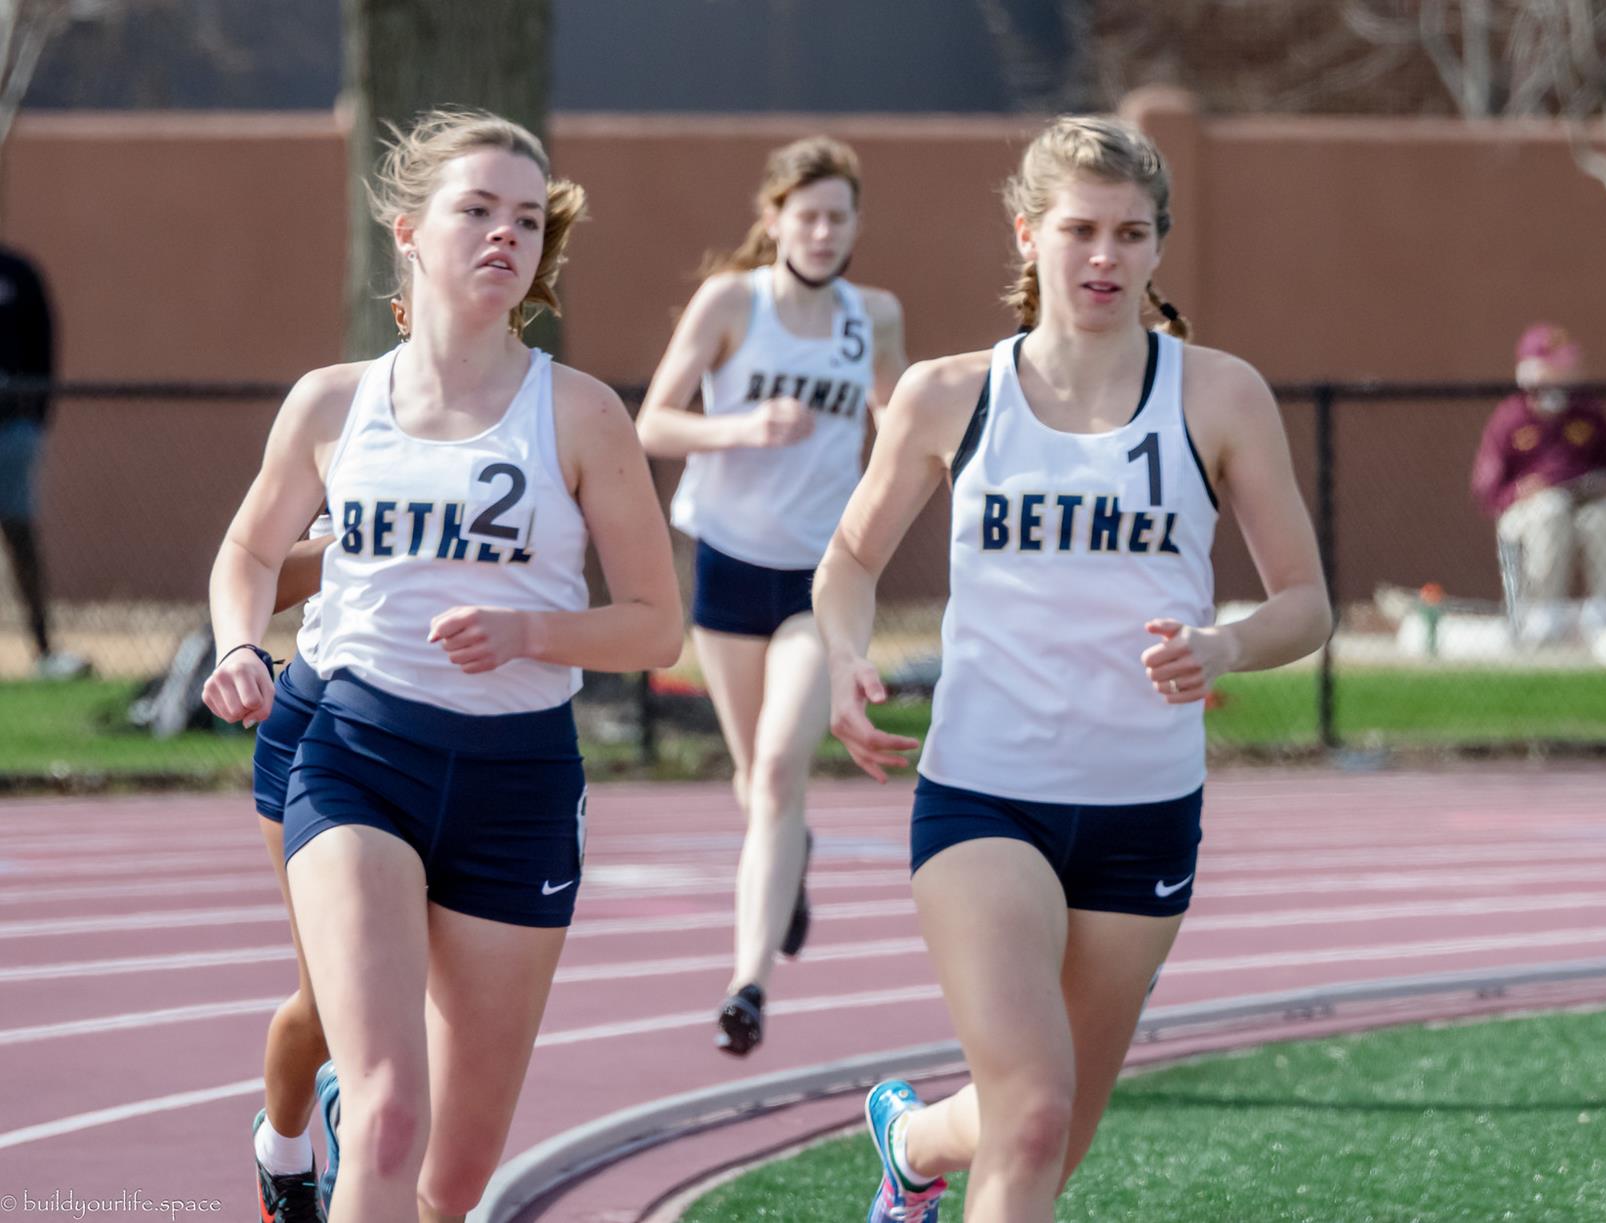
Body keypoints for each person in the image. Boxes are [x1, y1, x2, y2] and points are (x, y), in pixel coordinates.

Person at [813, 115, 1331, 1223]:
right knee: (1032, 1108)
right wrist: (843, 659)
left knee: (1047, 1137)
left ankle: (908, 1140)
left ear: (1156, 248)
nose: (1104, 256)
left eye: (1130, 233)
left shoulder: (1218, 395)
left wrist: (1225, 645)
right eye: (1080, 230)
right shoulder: (950, 394)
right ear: (1027, 234)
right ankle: (922, 1146)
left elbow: (1306, 603)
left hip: (1143, 807)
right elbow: (849, 558)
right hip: (983, 793)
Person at [202, 109, 682, 1223]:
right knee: (384, 1108)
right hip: (355, 749)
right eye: (477, 211)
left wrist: (533, 632)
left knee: (452, 1181)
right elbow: (250, 549)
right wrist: (237, 644)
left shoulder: (582, 413)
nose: (504, 235)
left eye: (525, 218)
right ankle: (289, 1135)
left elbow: (657, 626)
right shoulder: (333, 401)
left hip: (515, 782)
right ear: (410, 231)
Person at [634, 136, 906, 1056]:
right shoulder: (730, 305)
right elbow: (653, 422)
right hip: (727, 569)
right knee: (756, 781)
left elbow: (900, 427)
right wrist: (743, 426)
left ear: (856, 225)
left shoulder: (874, 317)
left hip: (817, 580)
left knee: (785, 765)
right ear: (775, 218)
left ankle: (746, 984)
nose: (824, 232)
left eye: (839, 216)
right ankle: (791, 860)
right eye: (808, 215)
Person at [248, 517, 338, 1221]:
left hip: (469, 734)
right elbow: (257, 569)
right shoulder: (335, 411)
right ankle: (283, 1153)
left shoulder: (546, 414)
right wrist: (374, 536)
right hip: (323, 729)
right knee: (333, 1003)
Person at [1470, 323, 1606, 639]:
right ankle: (1541, 612)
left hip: (1587, 505)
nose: (1564, 375)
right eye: (1554, 368)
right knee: (1551, 509)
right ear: (1531, 373)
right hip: (1529, 514)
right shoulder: (1509, 418)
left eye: (1566, 367)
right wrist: (1522, 491)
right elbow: (1486, 490)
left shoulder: (1589, 412)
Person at [0, 243, 86, 679]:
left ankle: (44, 649)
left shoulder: (18, 273)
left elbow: (43, 346)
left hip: (13, 428)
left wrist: (36, 417)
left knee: (19, 534)